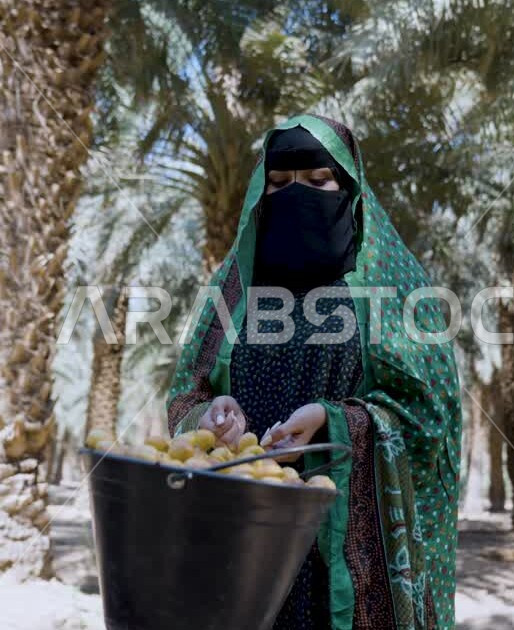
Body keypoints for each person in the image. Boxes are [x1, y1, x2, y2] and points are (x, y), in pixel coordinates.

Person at [166, 114, 461, 630]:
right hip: (243, 536)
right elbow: (185, 396)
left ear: (349, 186)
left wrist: (332, 422)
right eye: (279, 184)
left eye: (318, 181)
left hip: (345, 551)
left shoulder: (392, 282)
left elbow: (427, 418)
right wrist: (209, 420)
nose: (296, 195)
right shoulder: (233, 286)